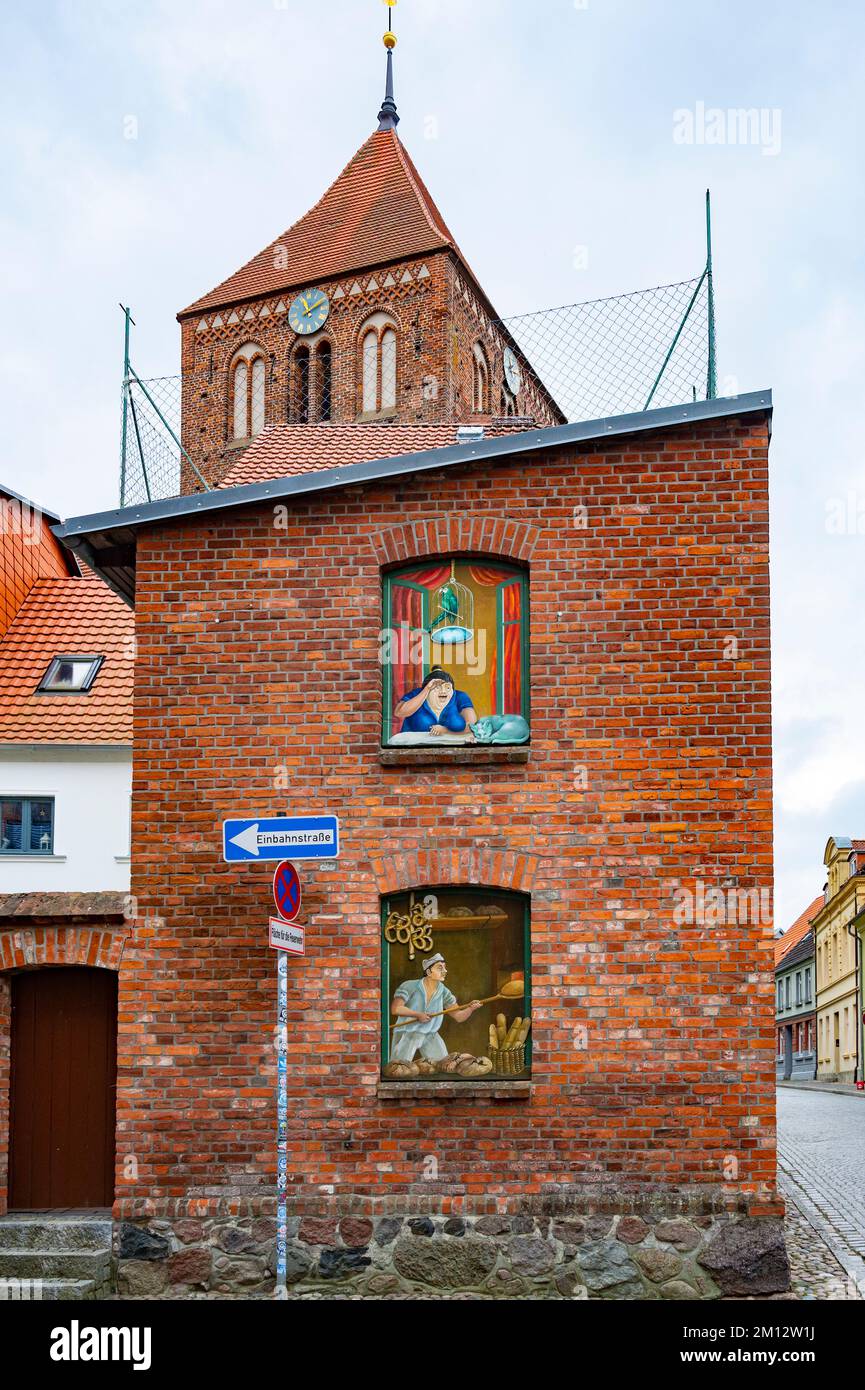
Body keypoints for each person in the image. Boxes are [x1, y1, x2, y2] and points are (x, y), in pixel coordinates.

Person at [389, 954, 482, 1063]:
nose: (445, 971)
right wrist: (418, 1015)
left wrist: (470, 1008)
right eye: (440, 967)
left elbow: (458, 1016)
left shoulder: (444, 992)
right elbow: (396, 1009)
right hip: (407, 1033)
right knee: (399, 1069)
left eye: (445, 967)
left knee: (443, 1065)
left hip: (430, 1034)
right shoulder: (410, 986)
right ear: (428, 972)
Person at [393, 668, 477, 738]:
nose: (443, 691)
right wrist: (426, 690)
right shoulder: (418, 694)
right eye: (437, 687)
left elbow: (472, 726)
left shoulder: (460, 696)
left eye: (447, 687)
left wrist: (446, 731)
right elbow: (399, 712)